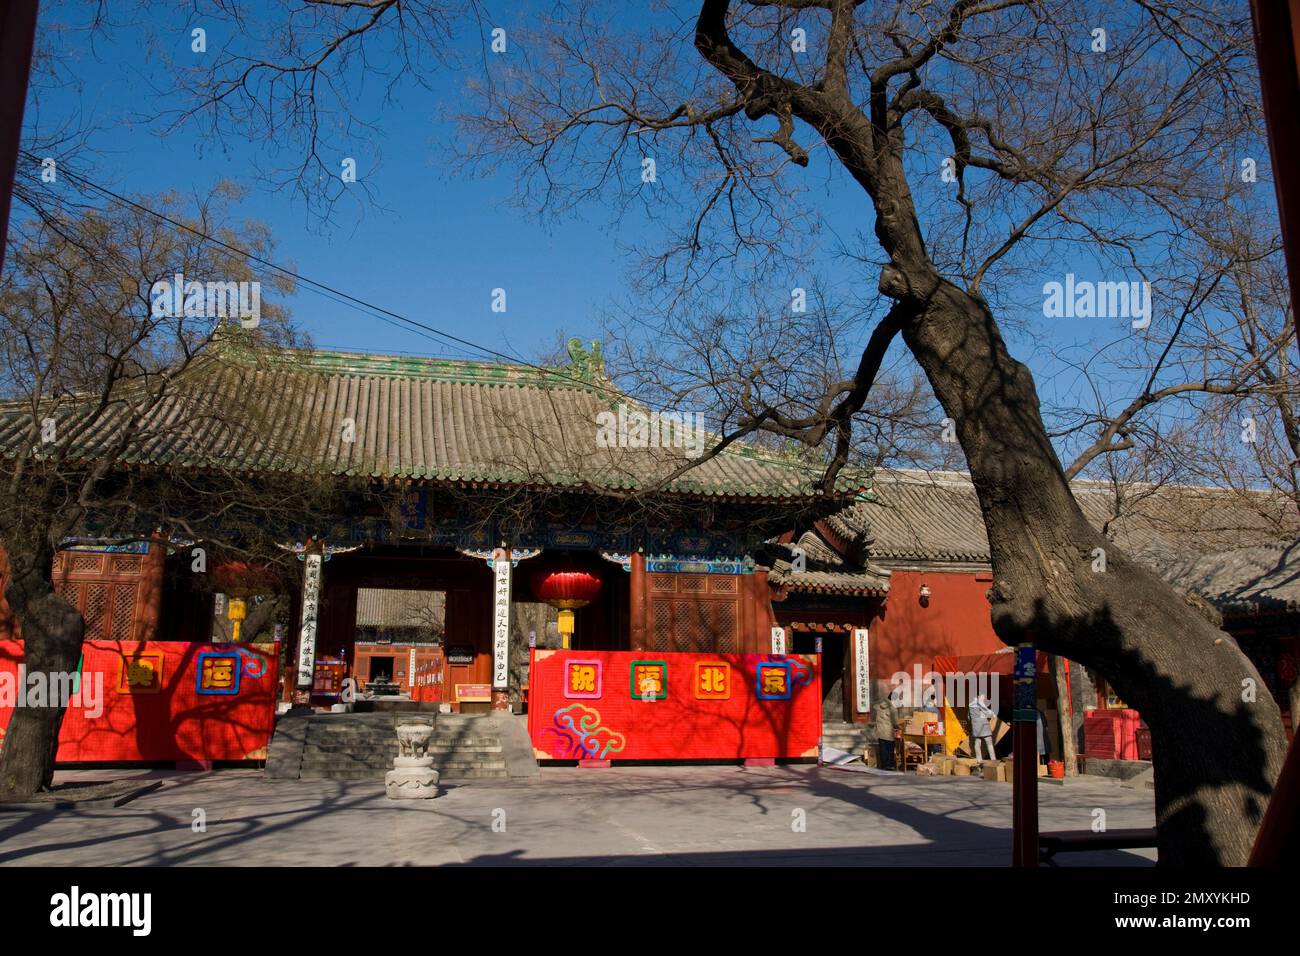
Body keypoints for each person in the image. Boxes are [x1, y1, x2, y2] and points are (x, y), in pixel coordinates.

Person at [968, 694, 996, 762]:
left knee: (977, 743)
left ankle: (979, 760)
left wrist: (974, 722)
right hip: (984, 726)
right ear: (979, 697)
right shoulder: (980, 704)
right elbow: (987, 711)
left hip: (976, 727)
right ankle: (993, 760)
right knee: (989, 743)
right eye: (983, 697)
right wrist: (993, 714)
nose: (984, 698)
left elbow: (968, 717)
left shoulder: (970, 705)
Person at [874, 696, 897, 770]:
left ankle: (883, 765)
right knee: (890, 749)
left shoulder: (879, 707)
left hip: (880, 731)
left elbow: (874, 706)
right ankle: (890, 765)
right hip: (889, 732)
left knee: (882, 749)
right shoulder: (892, 709)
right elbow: (895, 723)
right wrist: (900, 727)